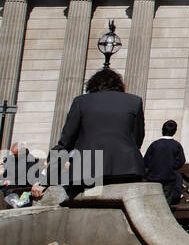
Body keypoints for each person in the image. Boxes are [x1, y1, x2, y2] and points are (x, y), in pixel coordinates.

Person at [32, 68, 144, 200]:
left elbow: (65, 144)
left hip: (87, 169)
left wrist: (45, 181)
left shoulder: (81, 102)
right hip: (128, 168)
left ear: (92, 85)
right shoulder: (135, 101)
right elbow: (137, 139)